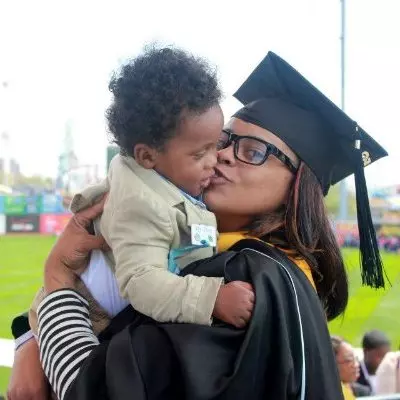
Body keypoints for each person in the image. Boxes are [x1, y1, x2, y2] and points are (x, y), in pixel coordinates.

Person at [9, 51, 387, 400]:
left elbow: (89, 388)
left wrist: (57, 283)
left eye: (253, 151)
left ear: (299, 187)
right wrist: (29, 335)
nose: (220, 156)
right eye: (223, 140)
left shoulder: (245, 280)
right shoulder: (205, 245)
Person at [28, 45, 254, 335]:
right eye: (199, 154)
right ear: (147, 156)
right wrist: (213, 299)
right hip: (87, 318)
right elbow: (142, 283)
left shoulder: (166, 179)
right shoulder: (141, 204)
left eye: (216, 145)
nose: (215, 161)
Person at [358, 329, 391, 393]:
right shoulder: (354, 376)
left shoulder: (391, 374)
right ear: (365, 352)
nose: (384, 361)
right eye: (379, 356)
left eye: (387, 356)